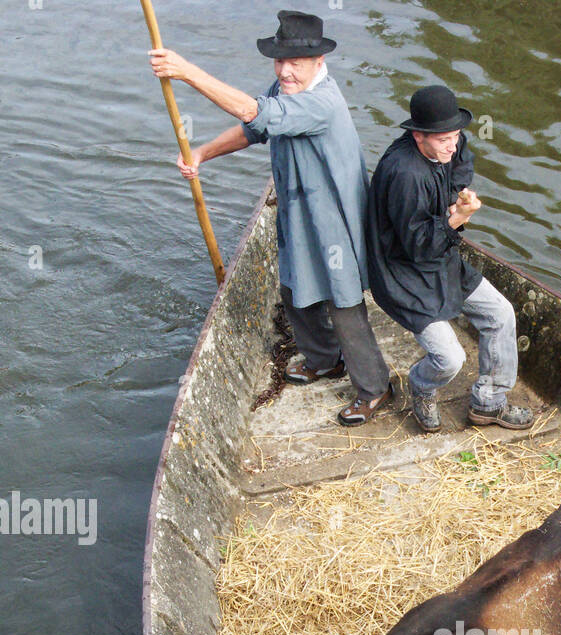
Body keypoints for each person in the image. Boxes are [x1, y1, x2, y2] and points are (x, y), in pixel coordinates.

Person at [149, 10, 393, 426]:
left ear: (318, 62)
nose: (285, 71)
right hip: (298, 212)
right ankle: (323, 358)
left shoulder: (322, 101)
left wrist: (187, 71)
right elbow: (254, 129)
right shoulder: (285, 89)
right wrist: (202, 153)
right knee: (293, 287)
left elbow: (255, 113)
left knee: (343, 299)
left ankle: (374, 388)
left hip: (332, 220)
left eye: (294, 63)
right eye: (279, 61)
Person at [366, 85, 534, 434]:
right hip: (403, 275)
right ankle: (422, 386)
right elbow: (418, 247)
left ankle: (488, 404)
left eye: (456, 135)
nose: (452, 145)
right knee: (449, 359)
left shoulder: (448, 143)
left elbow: (461, 162)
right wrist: (456, 218)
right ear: (418, 135)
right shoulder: (405, 175)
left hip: (441, 261)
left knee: (500, 315)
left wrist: (458, 194)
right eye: (444, 139)